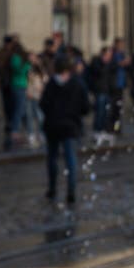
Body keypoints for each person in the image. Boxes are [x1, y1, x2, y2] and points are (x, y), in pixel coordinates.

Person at [40, 55, 91, 205]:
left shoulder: (51, 83)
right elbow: (86, 107)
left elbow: (43, 104)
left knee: (52, 158)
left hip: (53, 125)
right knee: (70, 159)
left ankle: (52, 188)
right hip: (70, 125)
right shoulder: (77, 83)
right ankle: (71, 192)